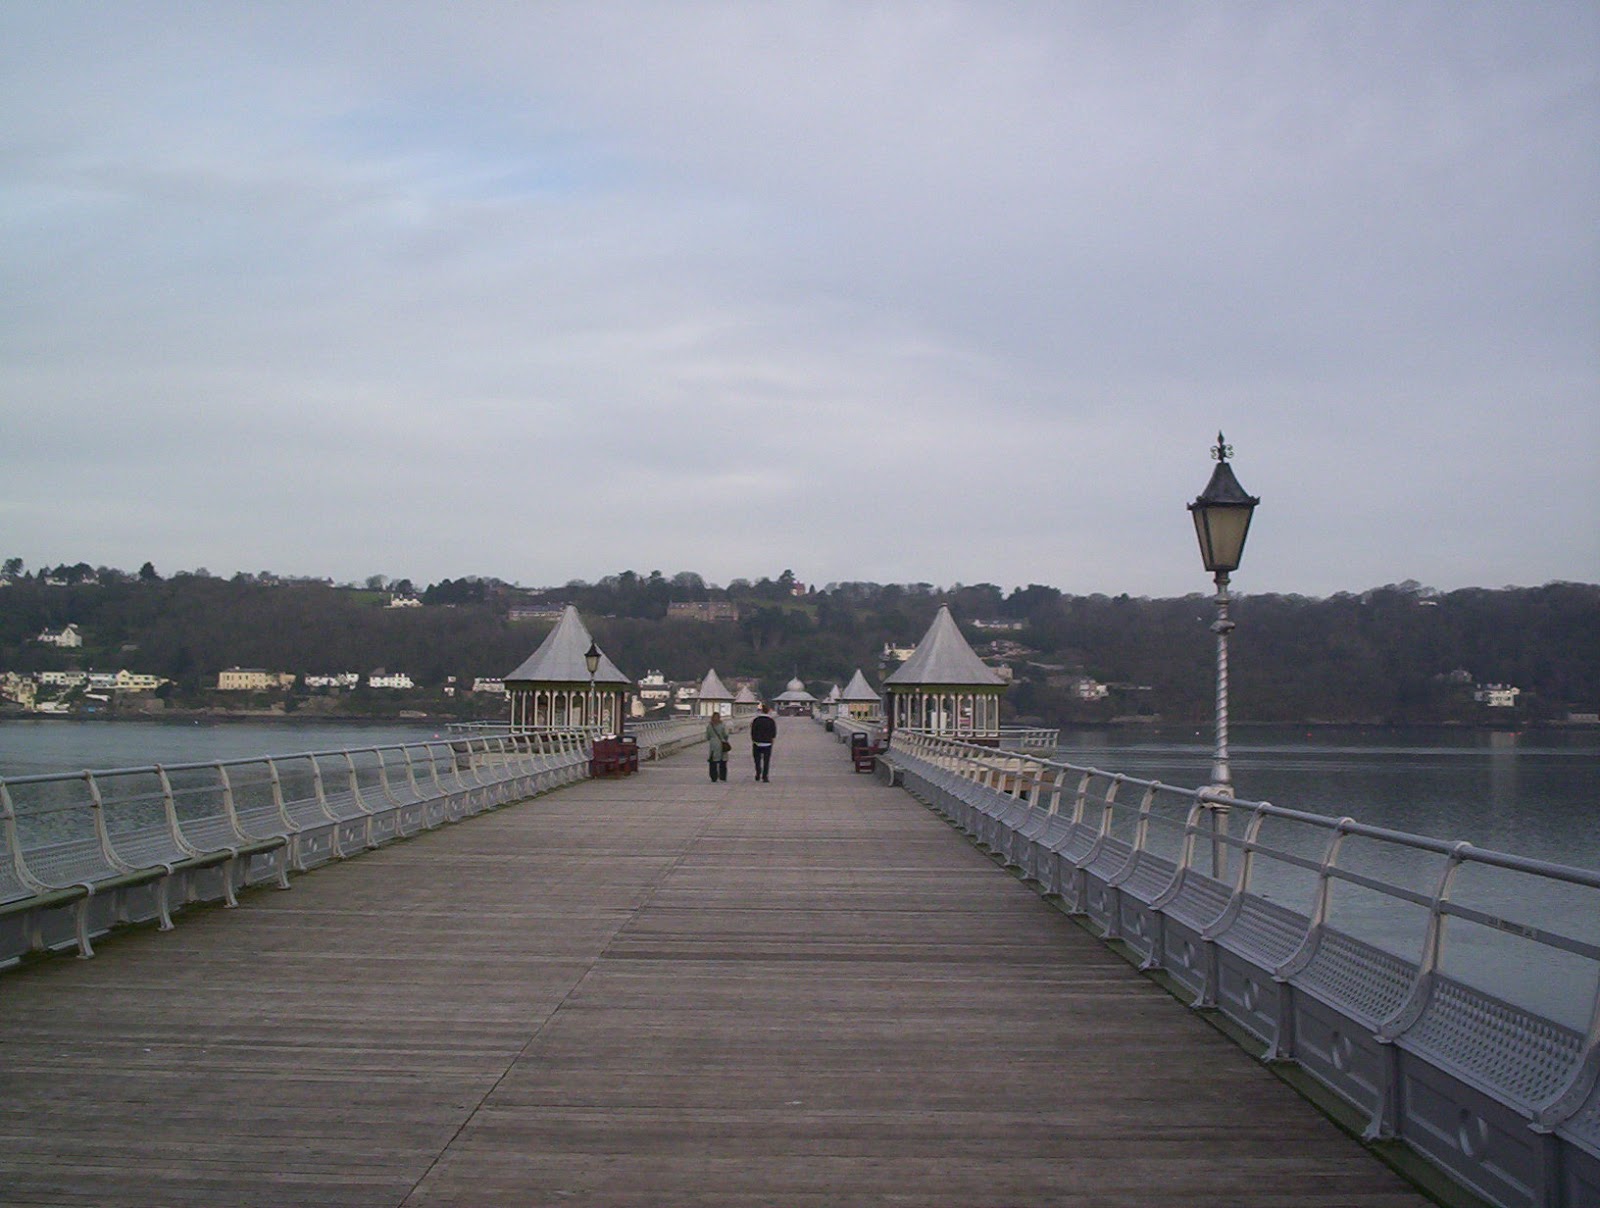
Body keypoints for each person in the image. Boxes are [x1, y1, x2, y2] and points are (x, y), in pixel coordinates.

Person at [749, 703, 777, 781]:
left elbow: (753, 731)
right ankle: (765, 776)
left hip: (757, 742)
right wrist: (771, 739)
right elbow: (774, 733)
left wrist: (754, 739)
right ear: (768, 711)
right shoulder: (771, 721)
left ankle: (758, 772)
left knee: (757, 759)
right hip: (767, 743)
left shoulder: (756, 720)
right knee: (766, 760)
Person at [705, 711, 731, 782]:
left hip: (713, 745)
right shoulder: (722, 725)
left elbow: (707, 736)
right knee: (723, 761)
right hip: (722, 744)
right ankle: (722, 776)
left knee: (713, 761)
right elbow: (726, 734)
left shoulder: (710, 726)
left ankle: (714, 776)